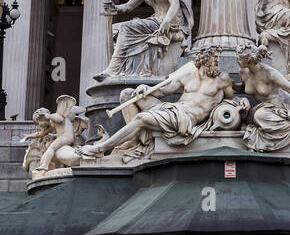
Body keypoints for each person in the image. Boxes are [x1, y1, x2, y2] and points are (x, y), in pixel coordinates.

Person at [83, 48, 233, 158]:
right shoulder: (188, 75)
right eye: (212, 61)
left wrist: (241, 103)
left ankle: (102, 148)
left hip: (184, 119)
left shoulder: (222, 79)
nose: (215, 65)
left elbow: (231, 98)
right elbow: (163, 91)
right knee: (127, 94)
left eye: (216, 61)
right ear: (202, 62)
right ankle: (136, 140)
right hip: (172, 109)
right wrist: (146, 88)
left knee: (142, 119)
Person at [99, 0, 192, 79]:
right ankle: (123, 69)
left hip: (169, 22)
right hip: (155, 21)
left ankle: (113, 69)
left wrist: (166, 22)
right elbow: (128, 6)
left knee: (126, 27)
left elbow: (175, 3)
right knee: (115, 29)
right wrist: (114, 7)